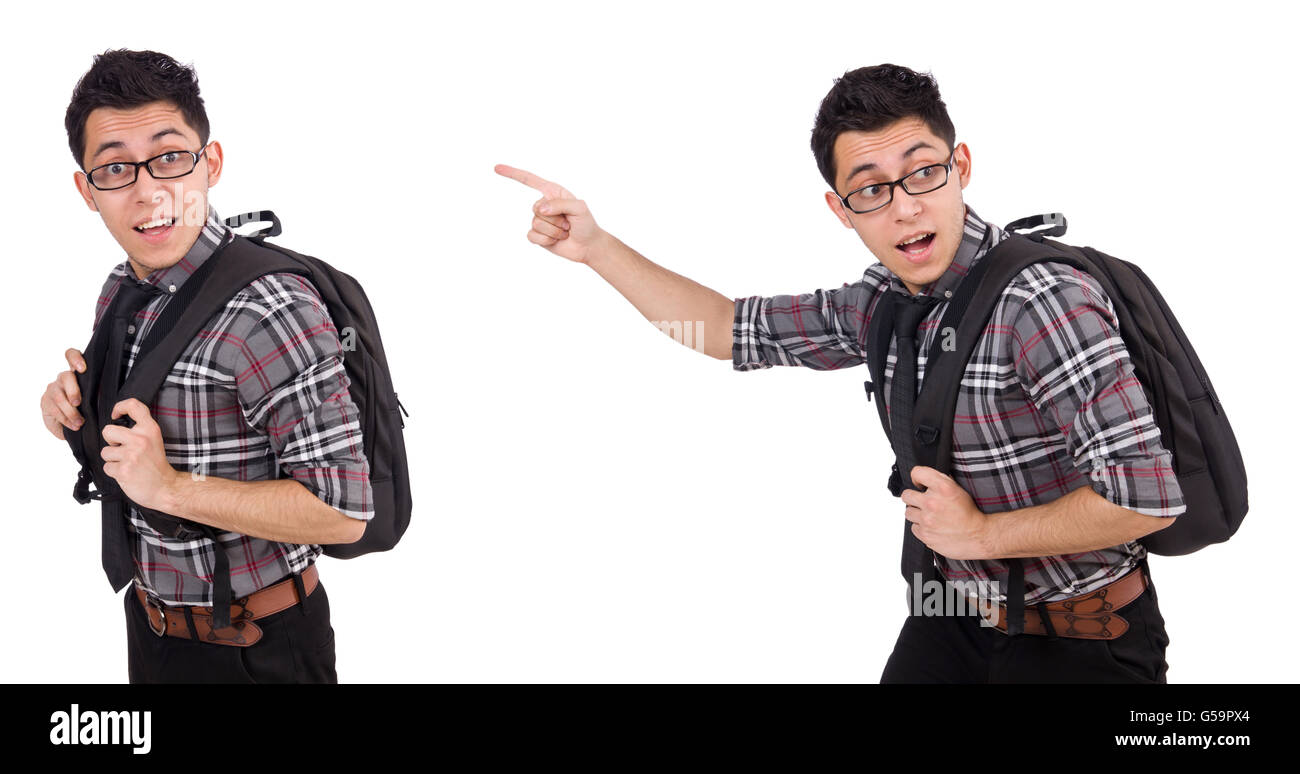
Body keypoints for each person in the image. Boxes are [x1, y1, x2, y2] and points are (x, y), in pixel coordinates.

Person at [497, 63, 1185, 683]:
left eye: (923, 173)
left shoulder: (1042, 303)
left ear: (961, 166)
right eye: (871, 189)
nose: (905, 205)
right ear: (840, 208)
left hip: (1083, 641)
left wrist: (980, 536)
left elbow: (1145, 498)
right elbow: (721, 330)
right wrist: (596, 248)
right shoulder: (882, 304)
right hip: (952, 624)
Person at [41, 49, 372, 683]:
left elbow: (343, 512)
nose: (147, 191)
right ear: (87, 190)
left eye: (169, 157)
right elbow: (147, 448)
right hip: (154, 631)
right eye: (114, 168)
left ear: (210, 164)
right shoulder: (122, 289)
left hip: (258, 650)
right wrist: (73, 413)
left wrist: (168, 488)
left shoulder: (269, 308)